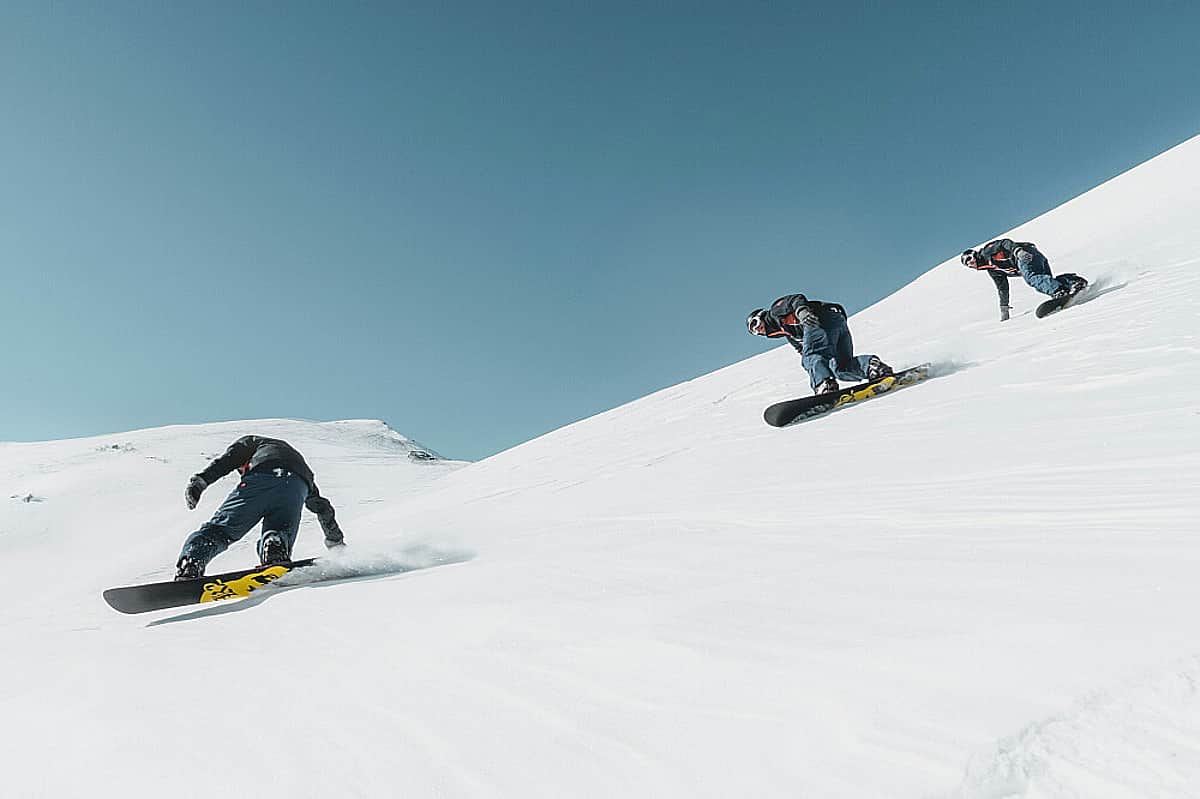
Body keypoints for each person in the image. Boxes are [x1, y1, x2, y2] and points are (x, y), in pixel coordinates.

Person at [175, 435, 346, 580]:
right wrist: (335, 542)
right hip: (297, 486)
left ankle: (191, 562)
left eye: (241, 470)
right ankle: (274, 549)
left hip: (263, 476)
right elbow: (323, 508)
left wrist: (200, 481)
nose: (241, 472)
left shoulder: (252, 442)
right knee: (279, 529)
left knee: (221, 530)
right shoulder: (302, 471)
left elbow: (226, 461)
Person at [746, 293, 892, 395]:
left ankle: (824, 384)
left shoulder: (774, 312)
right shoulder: (788, 333)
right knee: (840, 367)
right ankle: (872, 367)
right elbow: (801, 349)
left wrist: (802, 312)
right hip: (837, 322)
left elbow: (795, 299)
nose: (757, 329)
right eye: (753, 331)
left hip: (821, 318)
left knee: (812, 356)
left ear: (761, 316)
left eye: (755, 323)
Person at [960, 239, 1088, 321]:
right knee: (1042, 283)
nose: (970, 264)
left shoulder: (987, 252)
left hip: (1025, 254)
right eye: (967, 264)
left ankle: (1060, 291)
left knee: (1031, 278)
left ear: (974, 255)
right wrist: (1004, 307)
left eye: (969, 259)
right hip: (1034, 258)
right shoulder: (992, 270)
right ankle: (1072, 282)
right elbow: (1002, 288)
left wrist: (1017, 251)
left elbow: (1004, 243)